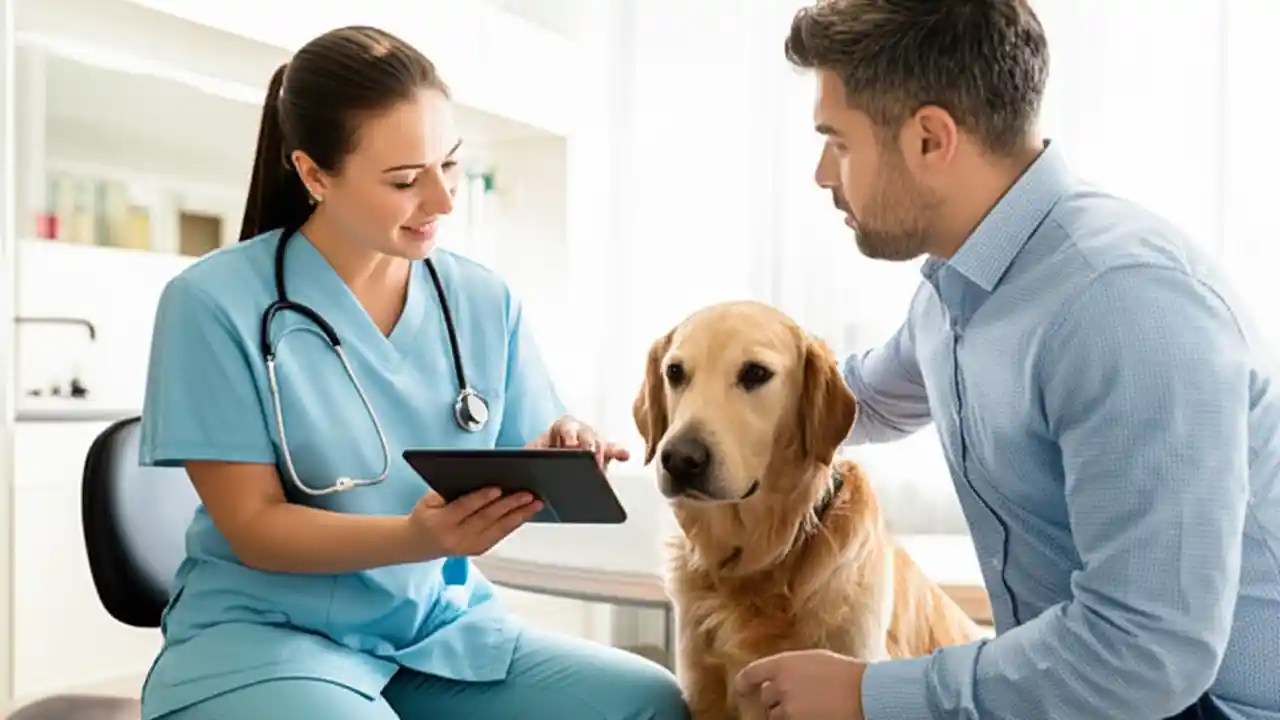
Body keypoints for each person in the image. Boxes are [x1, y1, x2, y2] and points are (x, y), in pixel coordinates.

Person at [733, 1, 1280, 719]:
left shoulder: (1122, 304)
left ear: (931, 138)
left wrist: (868, 694)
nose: (820, 174)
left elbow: (1148, 651)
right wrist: (690, 415)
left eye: (837, 142)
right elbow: (847, 402)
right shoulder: (956, 294)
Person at [136, 25, 688, 720]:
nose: (443, 201)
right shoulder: (213, 304)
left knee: (648, 703)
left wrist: (563, 449)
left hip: (434, 634)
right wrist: (414, 538)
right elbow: (253, 526)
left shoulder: (482, 301)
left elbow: (525, 451)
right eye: (404, 180)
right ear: (313, 175)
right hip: (264, 643)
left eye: (448, 166)